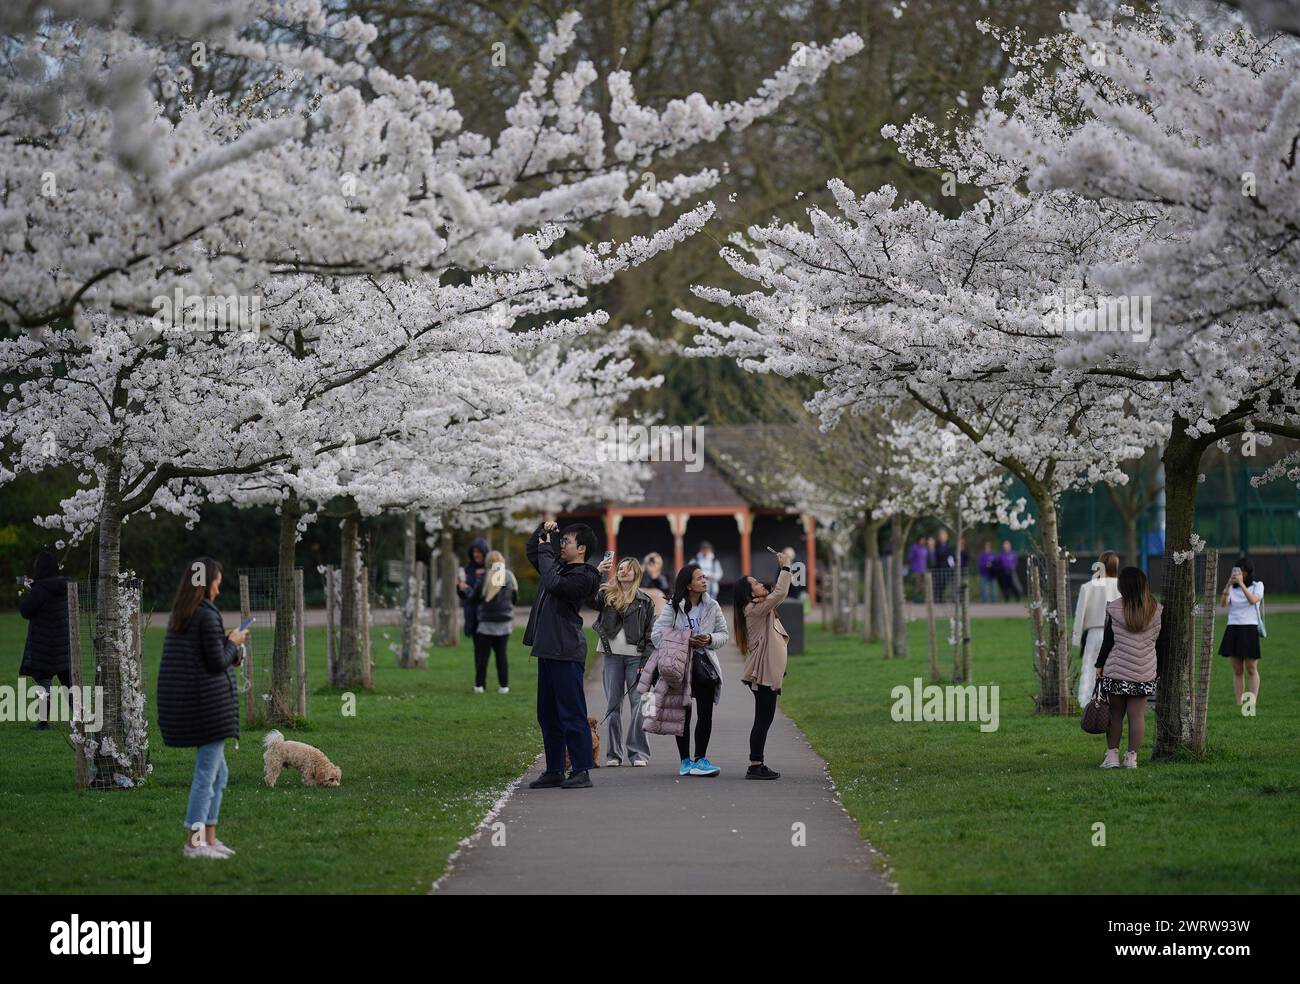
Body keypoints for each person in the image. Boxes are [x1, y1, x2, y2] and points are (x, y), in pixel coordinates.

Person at [156, 557, 248, 859]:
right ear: (206, 583)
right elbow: (216, 660)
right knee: (206, 776)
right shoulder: (206, 616)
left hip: (193, 704)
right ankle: (194, 844)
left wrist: (227, 644)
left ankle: (210, 839)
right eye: (217, 584)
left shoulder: (184, 613)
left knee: (218, 775)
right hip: (206, 708)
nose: (218, 591)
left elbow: (204, 653)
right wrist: (233, 642)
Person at [523, 519, 601, 790]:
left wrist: (547, 555)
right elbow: (534, 552)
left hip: (566, 651)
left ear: (581, 549)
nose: (562, 545)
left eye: (566, 542)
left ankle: (581, 770)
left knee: (571, 713)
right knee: (547, 714)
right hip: (548, 649)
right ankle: (554, 769)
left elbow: (555, 584)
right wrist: (542, 532)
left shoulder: (585, 576)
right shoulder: (557, 567)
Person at [648, 563, 729, 777]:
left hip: (704, 665)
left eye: (704, 577)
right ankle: (685, 761)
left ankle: (700, 759)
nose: (705, 580)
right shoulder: (673, 607)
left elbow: (724, 634)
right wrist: (685, 640)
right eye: (700, 578)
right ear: (689, 585)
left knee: (705, 714)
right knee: (682, 713)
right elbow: (656, 635)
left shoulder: (712, 606)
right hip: (679, 666)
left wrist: (709, 638)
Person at [1095, 566, 1167, 770]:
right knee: (1137, 716)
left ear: (1122, 587)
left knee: (1115, 715)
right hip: (1145, 673)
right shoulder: (1157, 610)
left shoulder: (1114, 609)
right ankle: (1131, 759)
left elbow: (1107, 642)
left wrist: (1099, 665)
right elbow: (1161, 645)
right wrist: (1157, 670)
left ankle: (1111, 757)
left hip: (1117, 672)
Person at [592, 555, 655, 766]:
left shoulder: (645, 601)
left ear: (636, 573)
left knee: (639, 704)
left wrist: (645, 664)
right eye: (620, 568)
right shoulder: (607, 595)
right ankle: (613, 754)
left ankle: (638, 753)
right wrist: (600, 571)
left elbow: (650, 636)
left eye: (628, 568)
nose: (622, 571)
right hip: (612, 656)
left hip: (636, 659)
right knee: (613, 705)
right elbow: (590, 598)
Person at [735, 561, 792, 780]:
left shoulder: (758, 607)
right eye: (756, 584)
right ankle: (755, 765)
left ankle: (757, 763)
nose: (760, 585)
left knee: (764, 718)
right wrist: (785, 568)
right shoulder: (755, 609)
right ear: (749, 594)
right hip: (762, 674)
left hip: (766, 672)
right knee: (762, 719)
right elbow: (780, 592)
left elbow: (775, 595)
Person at [18, 551, 71, 731]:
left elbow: (25, 611)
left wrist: (31, 590)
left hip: (43, 643)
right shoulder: (65, 586)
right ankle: (82, 718)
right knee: (69, 684)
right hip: (63, 643)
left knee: (44, 683)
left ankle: (43, 722)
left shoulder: (40, 590)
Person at [1073, 551, 1121, 705]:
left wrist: (1076, 637)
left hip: (1094, 633)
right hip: (1117, 633)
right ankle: (1114, 700)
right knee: (1116, 669)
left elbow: (1079, 614)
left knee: (1090, 667)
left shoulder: (1088, 586)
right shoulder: (1122, 586)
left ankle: (1087, 701)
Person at [1218, 557, 1264, 705]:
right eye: (1236, 571)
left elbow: (1253, 600)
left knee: (1251, 668)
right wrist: (1228, 585)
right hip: (1233, 628)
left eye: (1241, 571)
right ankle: (1239, 703)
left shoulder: (1258, 585)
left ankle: (1251, 702)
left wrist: (1242, 585)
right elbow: (1223, 605)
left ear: (1248, 572)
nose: (1238, 574)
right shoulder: (1232, 587)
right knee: (1237, 670)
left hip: (1249, 628)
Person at [471, 549, 516, 694]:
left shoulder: (484, 576)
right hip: (504, 623)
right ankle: (504, 686)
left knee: (482, 657)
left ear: (487, 562)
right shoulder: (509, 576)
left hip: (486, 624)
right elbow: (515, 598)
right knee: (501, 655)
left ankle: (479, 686)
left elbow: (475, 597)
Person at [455, 536, 489, 637]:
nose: (476, 555)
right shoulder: (467, 570)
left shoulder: (492, 570)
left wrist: (466, 588)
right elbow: (463, 596)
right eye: (474, 552)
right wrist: (459, 586)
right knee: (478, 651)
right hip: (472, 616)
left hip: (487, 616)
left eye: (478, 552)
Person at [908, 536, 930, 601]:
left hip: (924, 569)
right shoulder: (914, 548)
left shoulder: (925, 548)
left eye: (923, 540)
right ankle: (915, 599)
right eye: (921, 540)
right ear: (918, 540)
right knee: (917, 585)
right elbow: (909, 558)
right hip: (916, 570)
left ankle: (923, 599)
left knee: (924, 586)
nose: (922, 541)